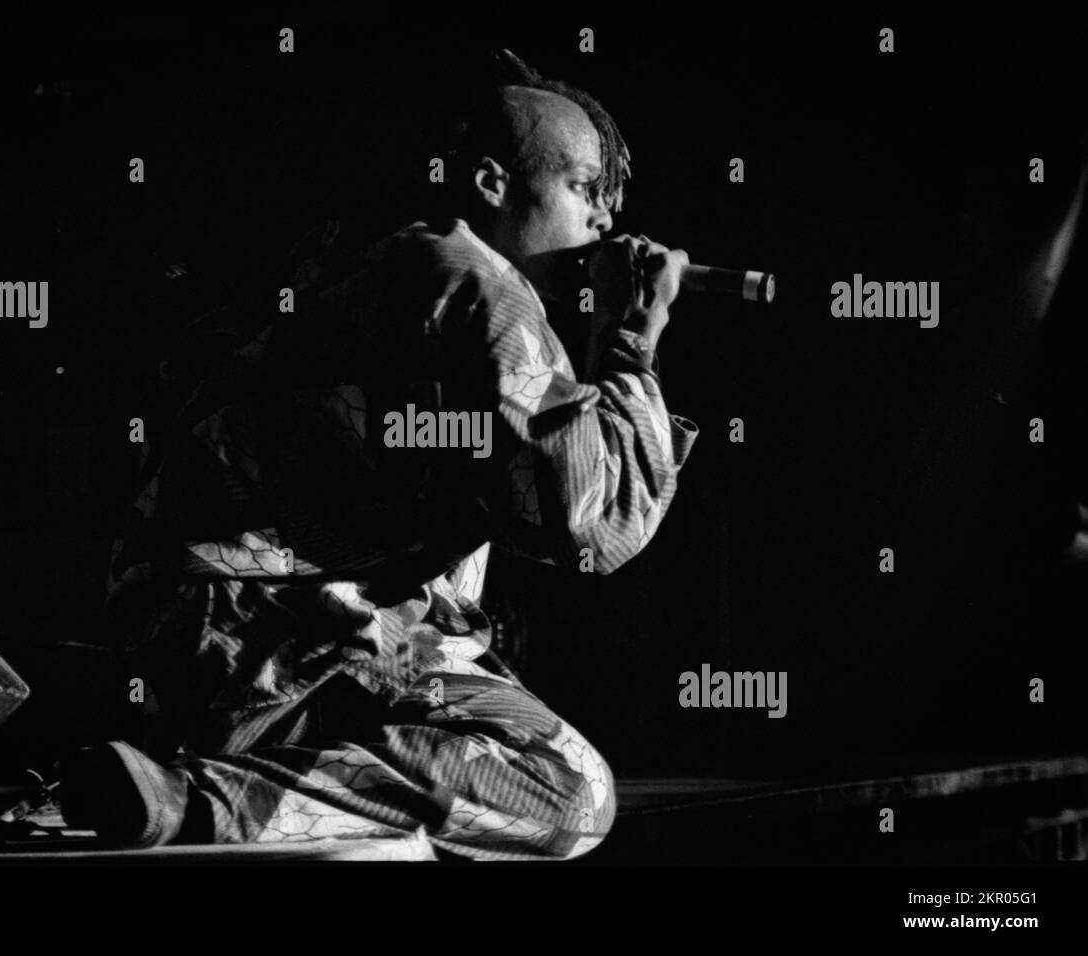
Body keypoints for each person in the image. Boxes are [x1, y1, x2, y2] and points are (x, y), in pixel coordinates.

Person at [61, 50, 699, 861]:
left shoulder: (376, 260)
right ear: (493, 184)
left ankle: (178, 780)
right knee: (566, 786)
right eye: (582, 189)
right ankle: (199, 800)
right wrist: (631, 340)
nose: (603, 224)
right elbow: (594, 525)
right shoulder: (474, 281)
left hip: (207, 637)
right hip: (280, 641)